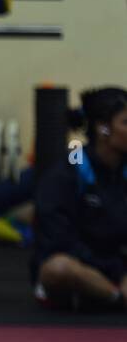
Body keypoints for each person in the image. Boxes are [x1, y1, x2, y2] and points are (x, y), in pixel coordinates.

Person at [32, 87, 127, 311]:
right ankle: (113, 297)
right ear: (103, 128)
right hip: (80, 267)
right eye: (125, 122)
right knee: (58, 269)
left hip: (117, 266)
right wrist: (111, 272)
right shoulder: (67, 173)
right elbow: (58, 242)